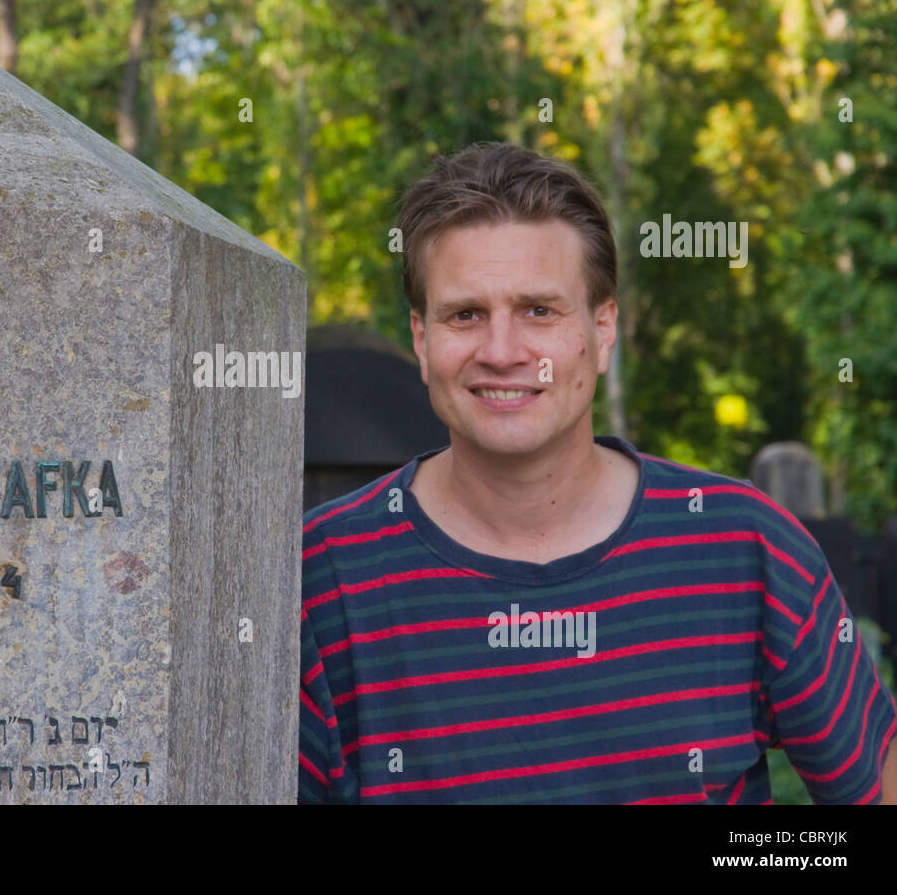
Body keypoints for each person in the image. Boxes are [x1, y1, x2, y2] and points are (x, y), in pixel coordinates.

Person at [298, 141, 897, 803]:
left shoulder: (745, 547)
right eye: (465, 314)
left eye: (539, 310)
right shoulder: (322, 580)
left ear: (603, 327)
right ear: (421, 338)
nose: (502, 351)